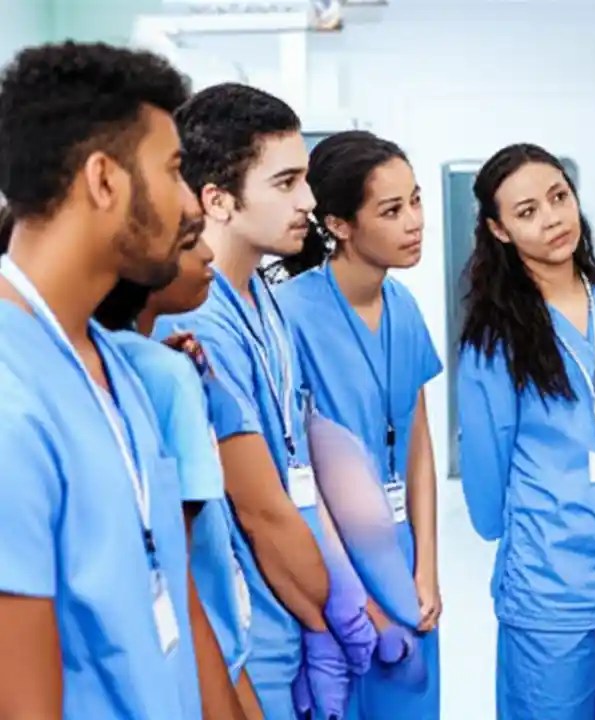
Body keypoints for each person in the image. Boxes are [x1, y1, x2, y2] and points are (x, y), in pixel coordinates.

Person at [0, 41, 230, 718]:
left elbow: (170, 585)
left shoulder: (112, 363)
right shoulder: (11, 398)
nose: (191, 205)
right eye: (174, 171)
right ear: (104, 180)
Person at [156, 82, 377, 719]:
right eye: (286, 183)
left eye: (305, 178)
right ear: (217, 201)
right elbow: (259, 510)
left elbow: (294, 460)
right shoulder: (200, 325)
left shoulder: (267, 301)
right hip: (255, 621)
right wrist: (327, 617)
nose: (308, 200)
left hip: (296, 598)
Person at [456, 142, 595, 719]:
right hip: (551, 588)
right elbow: (485, 479)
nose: (553, 218)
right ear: (499, 231)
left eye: (559, 196)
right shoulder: (495, 338)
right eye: (527, 211)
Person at [272, 130, 444, 719]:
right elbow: (297, 475)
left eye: (416, 201)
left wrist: (427, 570)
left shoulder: (405, 307)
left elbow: (418, 442)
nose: (414, 222)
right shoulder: (292, 314)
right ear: (339, 225)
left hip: (403, 555)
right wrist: (362, 603)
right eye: (391, 211)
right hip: (332, 567)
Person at [95, 217, 267, 719]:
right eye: (189, 243)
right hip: (198, 647)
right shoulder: (165, 375)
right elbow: (177, 565)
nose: (209, 254)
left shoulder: (133, 362)